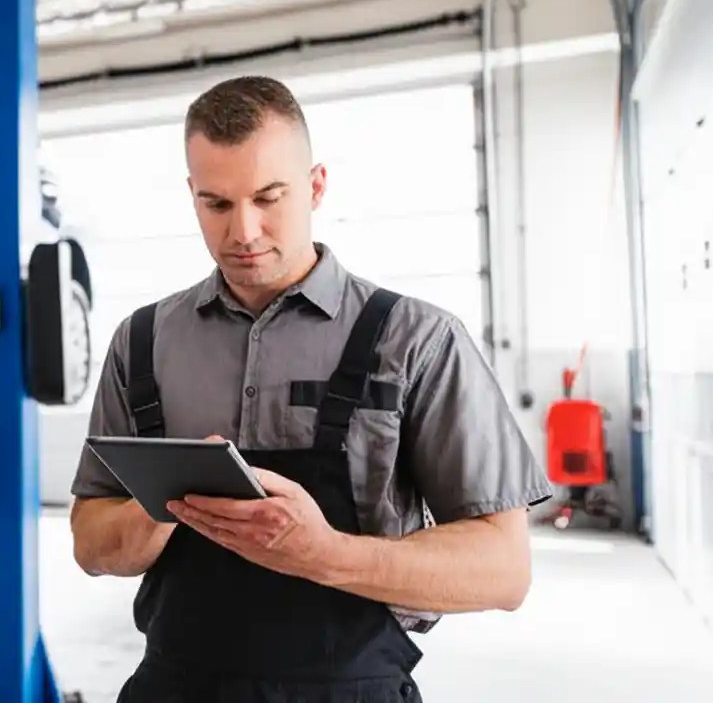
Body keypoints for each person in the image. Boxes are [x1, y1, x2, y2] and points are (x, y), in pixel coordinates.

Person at [68, 75, 554, 702]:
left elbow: (503, 572)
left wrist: (322, 554)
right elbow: (90, 541)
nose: (243, 231)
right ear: (192, 196)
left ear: (316, 186)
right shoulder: (140, 343)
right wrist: (162, 513)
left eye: (269, 197)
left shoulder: (417, 340)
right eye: (216, 204)